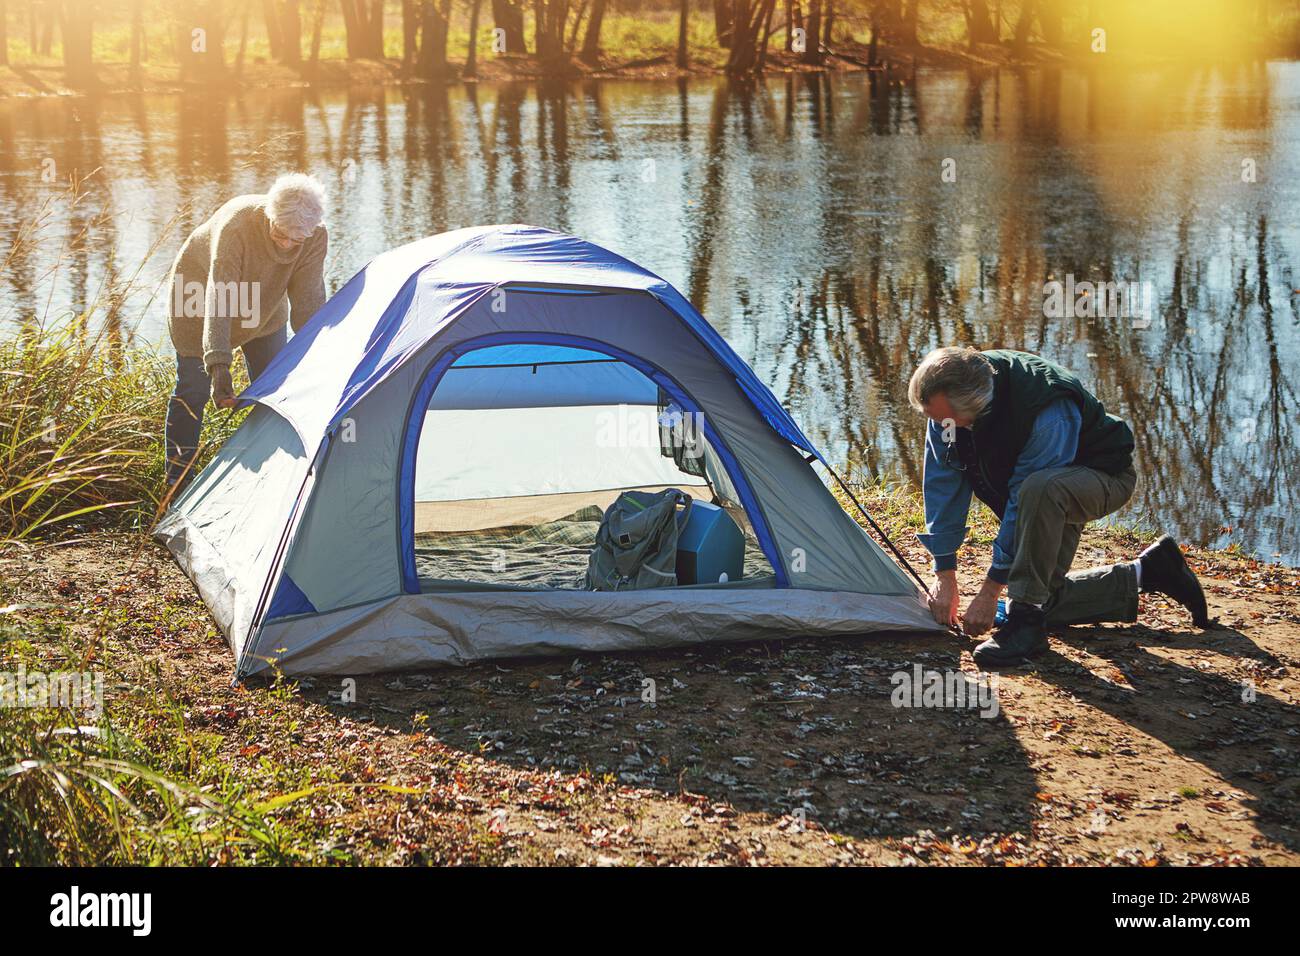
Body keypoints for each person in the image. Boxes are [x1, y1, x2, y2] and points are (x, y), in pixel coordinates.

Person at [909, 346, 1209, 668]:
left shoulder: (1046, 412)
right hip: (1044, 492)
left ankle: (1026, 627)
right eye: (935, 421)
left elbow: (1023, 498)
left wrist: (991, 590)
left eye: (947, 421)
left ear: (979, 407)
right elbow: (944, 484)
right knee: (1043, 596)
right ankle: (1150, 571)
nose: (942, 428)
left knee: (1039, 495)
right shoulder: (948, 400)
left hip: (1100, 477)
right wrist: (944, 572)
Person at [164, 173, 328, 487]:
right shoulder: (236, 229)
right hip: (199, 297)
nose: (287, 244)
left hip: (264, 303)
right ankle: (177, 482)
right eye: (281, 234)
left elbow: (308, 304)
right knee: (193, 391)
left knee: (276, 390)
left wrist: (317, 360)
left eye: (297, 240)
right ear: (270, 216)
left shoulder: (314, 236)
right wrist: (219, 365)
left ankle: (272, 476)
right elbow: (220, 298)